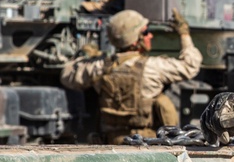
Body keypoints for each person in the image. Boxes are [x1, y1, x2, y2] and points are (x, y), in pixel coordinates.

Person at [61, 8, 202, 144]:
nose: (150, 35)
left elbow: (67, 75)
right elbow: (190, 66)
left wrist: (85, 57)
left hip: (110, 144)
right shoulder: (153, 68)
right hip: (146, 145)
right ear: (136, 40)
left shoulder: (99, 67)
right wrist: (184, 34)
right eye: (145, 32)